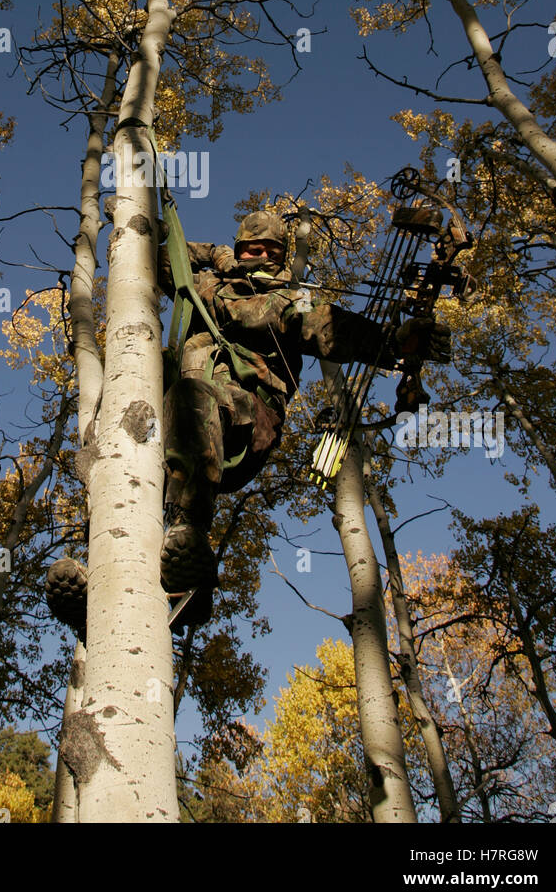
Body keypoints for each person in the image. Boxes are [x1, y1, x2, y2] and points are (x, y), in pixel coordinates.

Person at [46, 210, 449, 638]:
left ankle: (188, 541)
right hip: (175, 425)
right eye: (248, 248)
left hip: (244, 420)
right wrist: (210, 253)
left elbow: (328, 328)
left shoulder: (288, 303)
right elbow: (156, 259)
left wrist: (394, 343)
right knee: (113, 438)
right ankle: (107, 566)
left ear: (280, 258)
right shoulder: (207, 287)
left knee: (193, 397)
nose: (258, 255)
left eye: (269, 250)